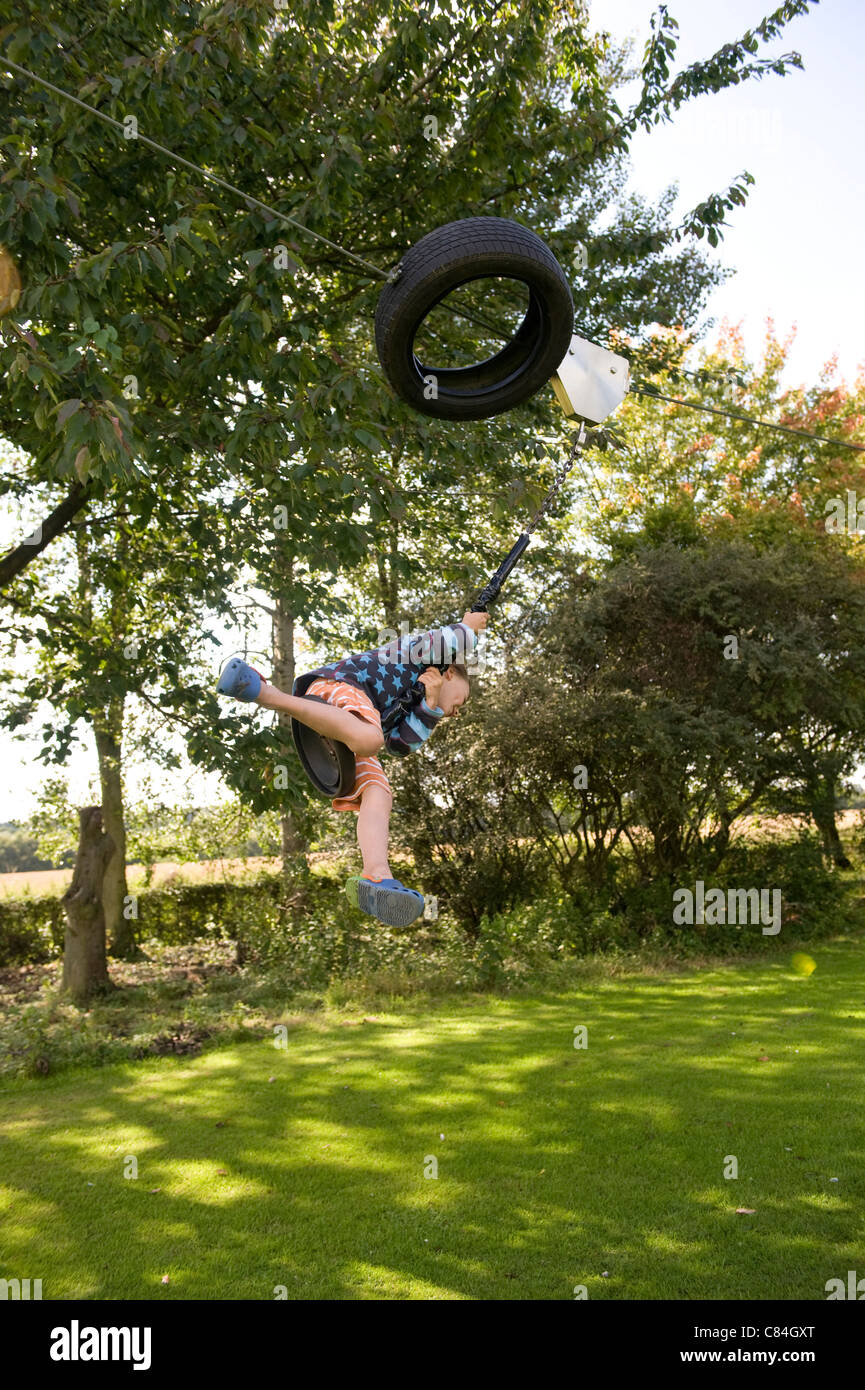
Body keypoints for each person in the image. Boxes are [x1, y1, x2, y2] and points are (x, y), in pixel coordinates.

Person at [217, 610, 487, 926]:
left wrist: (429, 705)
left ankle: (376, 875)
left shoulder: (418, 704)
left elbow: (399, 745)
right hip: (339, 690)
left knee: (379, 793)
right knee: (369, 738)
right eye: (462, 702)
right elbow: (444, 641)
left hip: (348, 726)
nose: (456, 713)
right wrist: (468, 629)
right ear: (451, 672)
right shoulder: (417, 654)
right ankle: (267, 693)